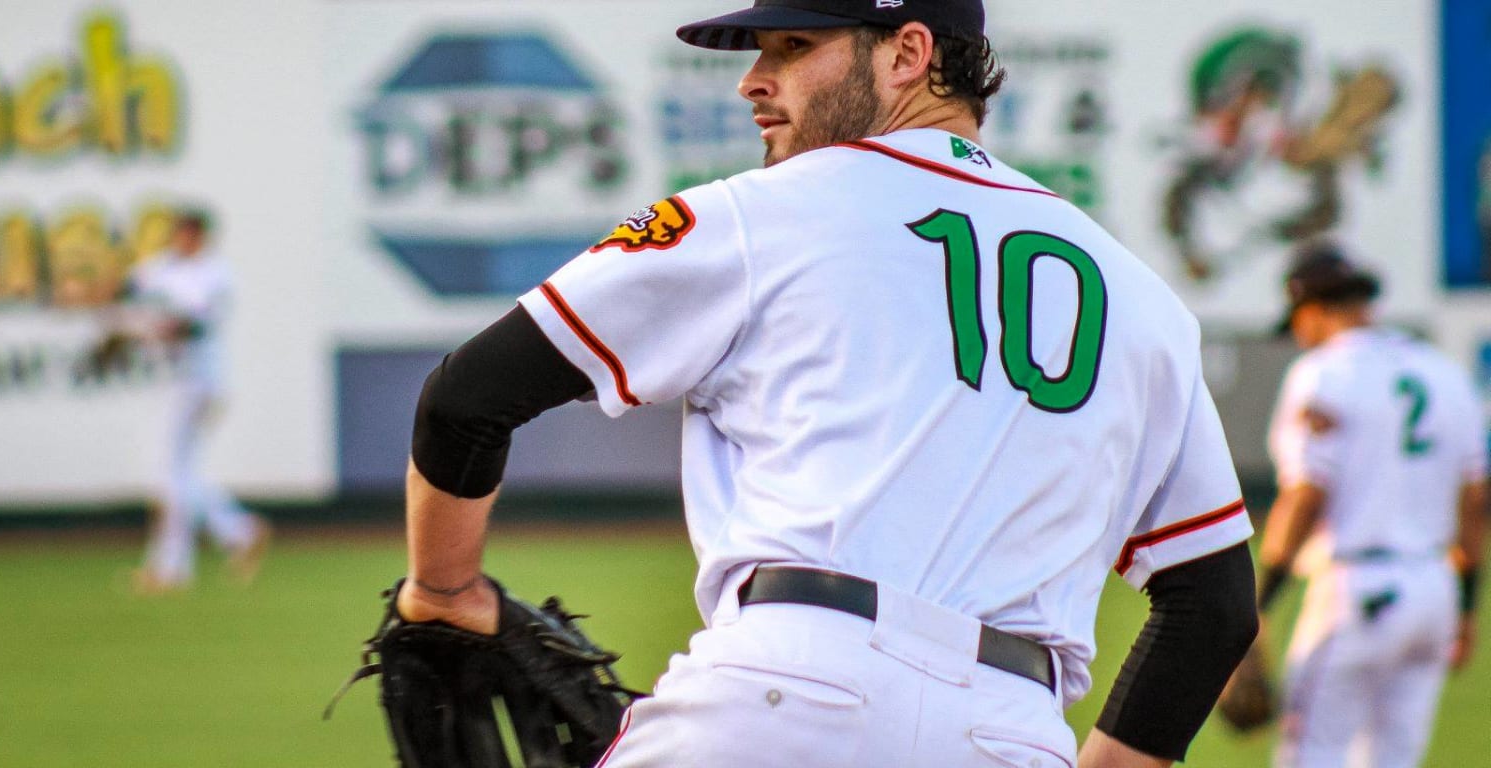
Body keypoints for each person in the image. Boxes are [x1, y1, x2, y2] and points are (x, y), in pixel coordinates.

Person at [395, 2, 1258, 765]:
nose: (753, 81)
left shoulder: (755, 213)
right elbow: (1212, 608)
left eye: (793, 45)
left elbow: (466, 399)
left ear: (908, 53)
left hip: (784, 692)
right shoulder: (1144, 301)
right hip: (1013, 729)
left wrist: (443, 592)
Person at [1259, 244, 1487, 767]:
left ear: (1312, 310)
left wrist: (1260, 602)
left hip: (1357, 590)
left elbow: (1306, 493)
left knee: (1309, 756)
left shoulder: (1322, 374)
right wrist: (1467, 606)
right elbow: (1475, 501)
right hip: (1434, 590)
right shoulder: (1443, 371)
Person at [124, 210, 270, 594]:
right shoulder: (161, 269)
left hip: (198, 384)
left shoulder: (214, 274)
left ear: (203, 237)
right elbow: (124, 290)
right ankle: (239, 530)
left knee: (169, 474)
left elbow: (192, 325)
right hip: (170, 383)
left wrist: (145, 325)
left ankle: (171, 567)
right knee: (179, 473)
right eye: (181, 233)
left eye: (192, 234)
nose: (185, 239)